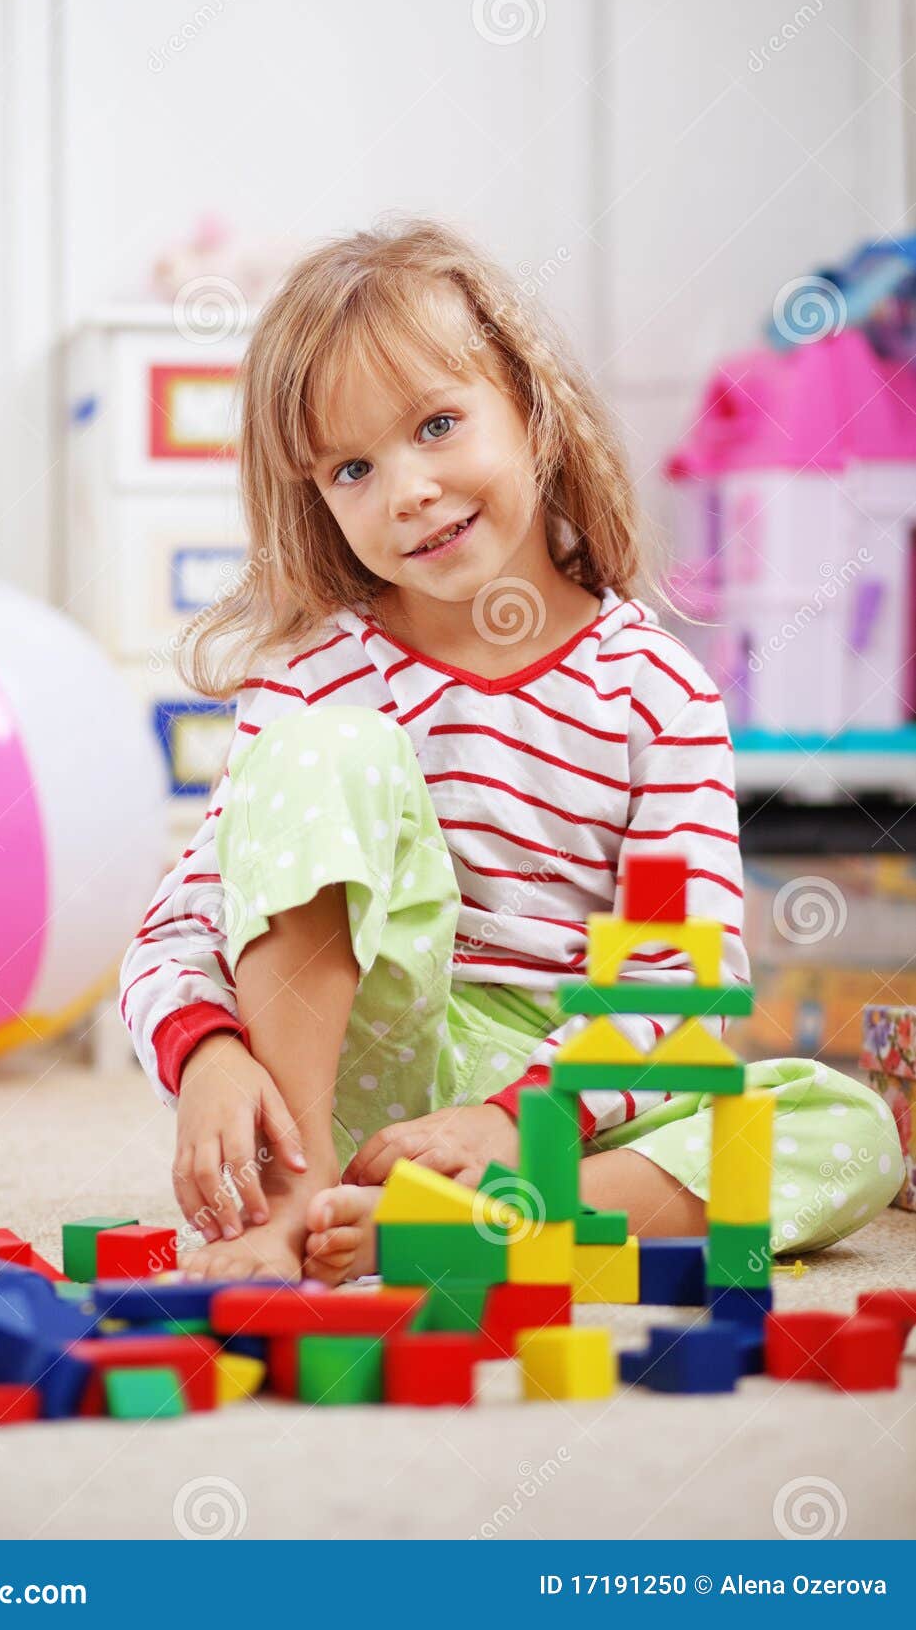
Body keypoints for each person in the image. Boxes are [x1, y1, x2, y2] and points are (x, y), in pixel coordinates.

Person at [120, 216, 903, 1282]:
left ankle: (479, 1222)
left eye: (438, 424)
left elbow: (680, 972)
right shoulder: (311, 683)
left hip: (564, 1108)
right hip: (362, 1090)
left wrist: (519, 1119)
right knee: (318, 750)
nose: (407, 490)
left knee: (848, 1129)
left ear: (532, 410)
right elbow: (182, 925)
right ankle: (301, 1196)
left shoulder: (658, 692)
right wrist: (208, 1052)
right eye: (351, 469)